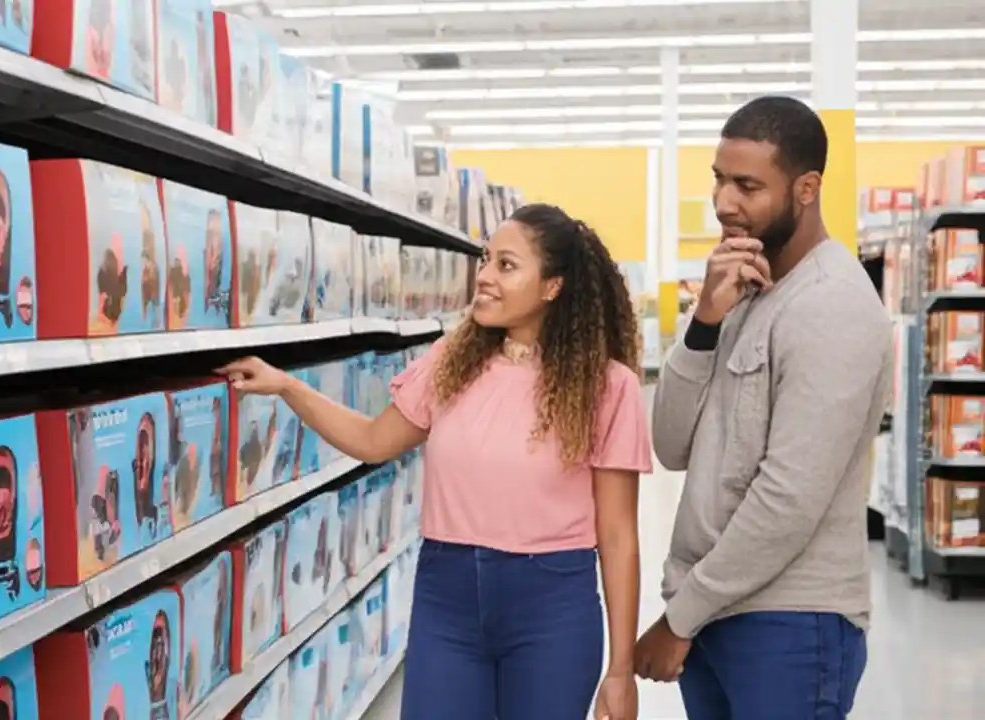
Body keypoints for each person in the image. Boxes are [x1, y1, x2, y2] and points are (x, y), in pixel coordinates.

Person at [219, 204, 653, 720]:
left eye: (507, 266)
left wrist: (621, 670)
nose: (485, 276)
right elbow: (374, 440)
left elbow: (620, 533)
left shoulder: (607, 388)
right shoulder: (453, 363)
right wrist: (288, 386)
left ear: (552, 287)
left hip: (552, 610)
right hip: (447, 601)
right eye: (486, 259)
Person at [634, 96, 892, 719]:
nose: (724, 202)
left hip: (789, 627)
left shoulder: (832, 304)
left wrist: (679, 619)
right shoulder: (745, 291)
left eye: (747, 185)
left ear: (807, 188)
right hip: (720, 612)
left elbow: (787, 499)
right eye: (720, 179)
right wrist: (704, 323)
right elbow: (669, 445)